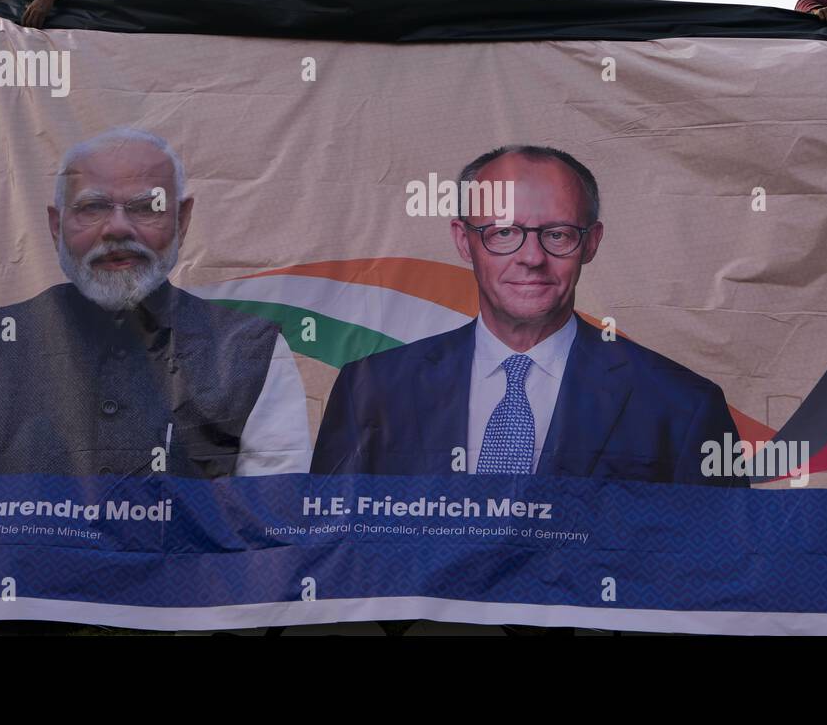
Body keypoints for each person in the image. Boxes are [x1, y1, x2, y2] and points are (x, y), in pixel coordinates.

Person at [311, 145, 743, 486]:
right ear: (464, 242)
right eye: (503, 232)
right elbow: (327, 555)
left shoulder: (682, 405)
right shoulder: (371, 390)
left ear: (591, 243)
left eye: (557, 234)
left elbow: (718, 577)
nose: (531, 257)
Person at [0, 128, 311, 478]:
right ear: (55, 225)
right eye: (92, 207)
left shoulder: (252, 353)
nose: (117, 228)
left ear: (182, 221)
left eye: (147, 207)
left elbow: (273, 536)